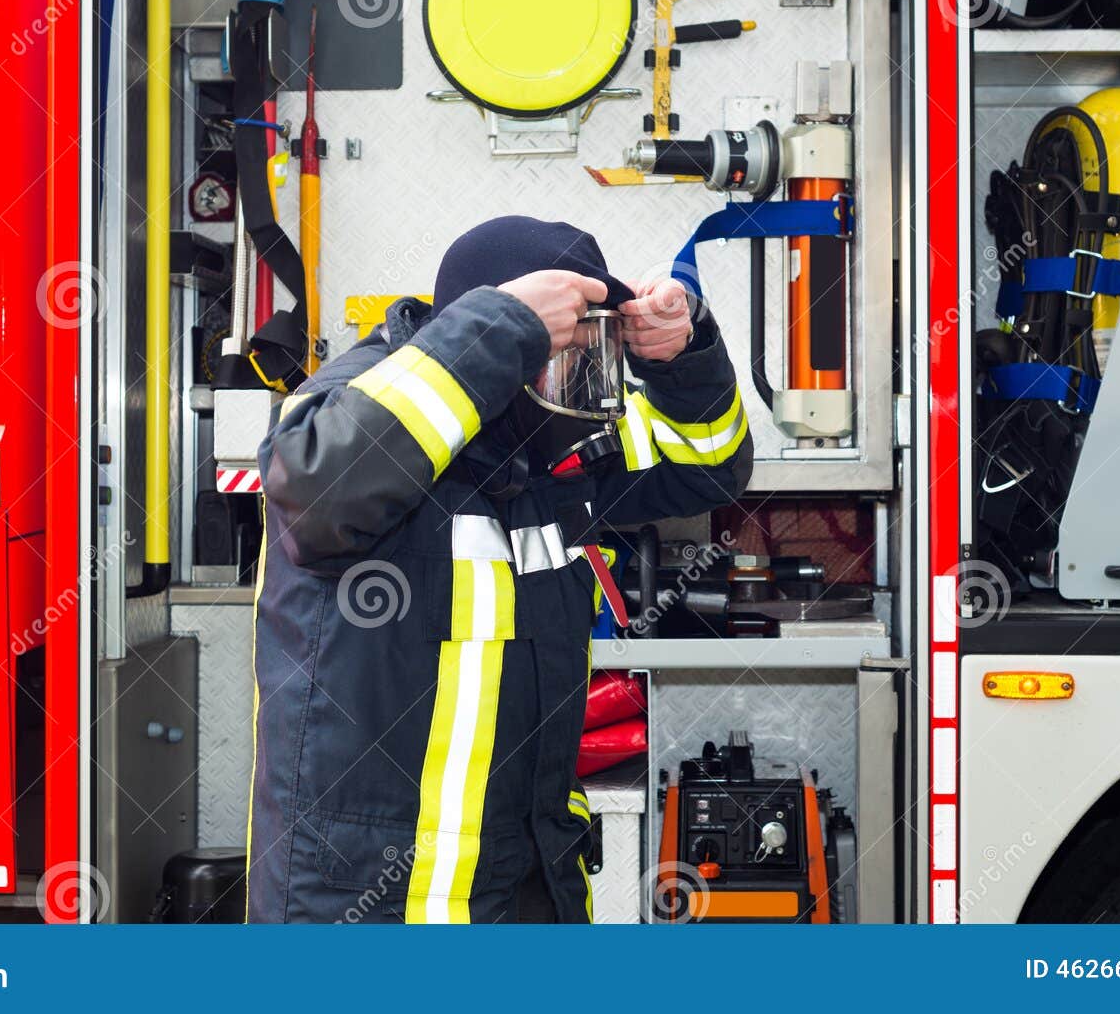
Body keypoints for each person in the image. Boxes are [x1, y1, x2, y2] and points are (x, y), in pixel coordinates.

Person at [246, 215, 751, 922]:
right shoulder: (362, 397)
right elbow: (321, 492)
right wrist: (501, 329)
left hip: (526, 885)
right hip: (367, 906)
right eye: (565, 354)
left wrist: (683, 355)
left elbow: (711, 468)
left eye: (594, 355)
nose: (584, 386)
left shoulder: (553, 446)